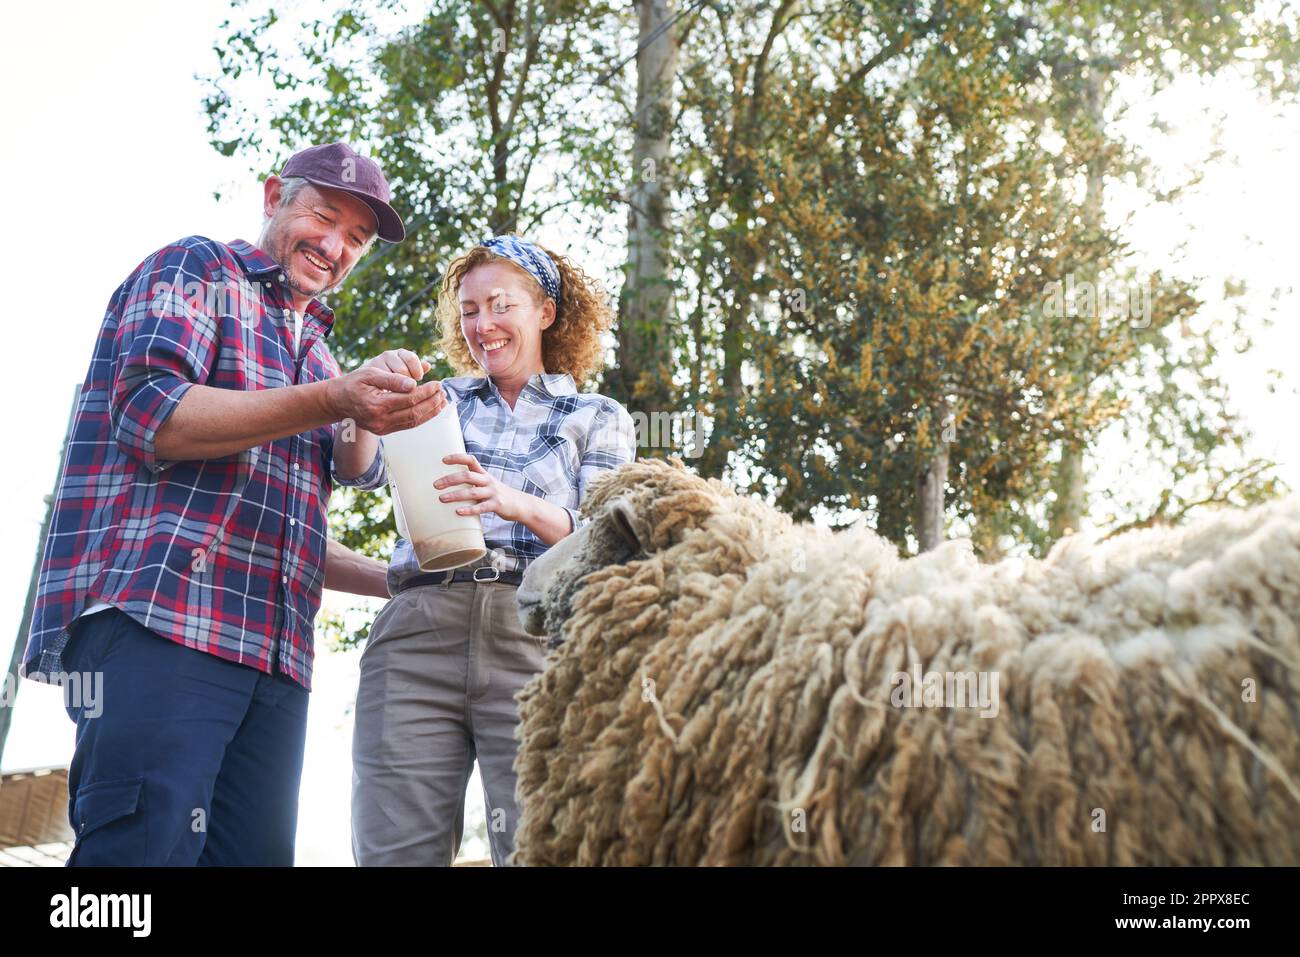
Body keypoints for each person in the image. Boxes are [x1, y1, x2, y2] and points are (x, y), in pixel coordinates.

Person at [22, 142, 447, 866]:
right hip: (163, 626)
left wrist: (407, 579)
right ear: (274, 193)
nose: (335, 245)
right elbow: (155, 417)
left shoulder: (316, 355)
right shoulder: (197, 269)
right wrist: (336, 397)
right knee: (133, 865)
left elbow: (288, 535)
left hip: (277, 662)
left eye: (358, 238)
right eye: (324, 215)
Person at [351, 235, 637, 866]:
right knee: (394, 852)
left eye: (499, 304)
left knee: (545, 847)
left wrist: (512, 501)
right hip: (418, 632)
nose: (482, 324)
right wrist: (359, 403)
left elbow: (607, 544)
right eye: (468, 310)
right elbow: (358, 469)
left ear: (546, 312)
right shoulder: (438, 401)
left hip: (537, 632)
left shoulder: (598, 415)